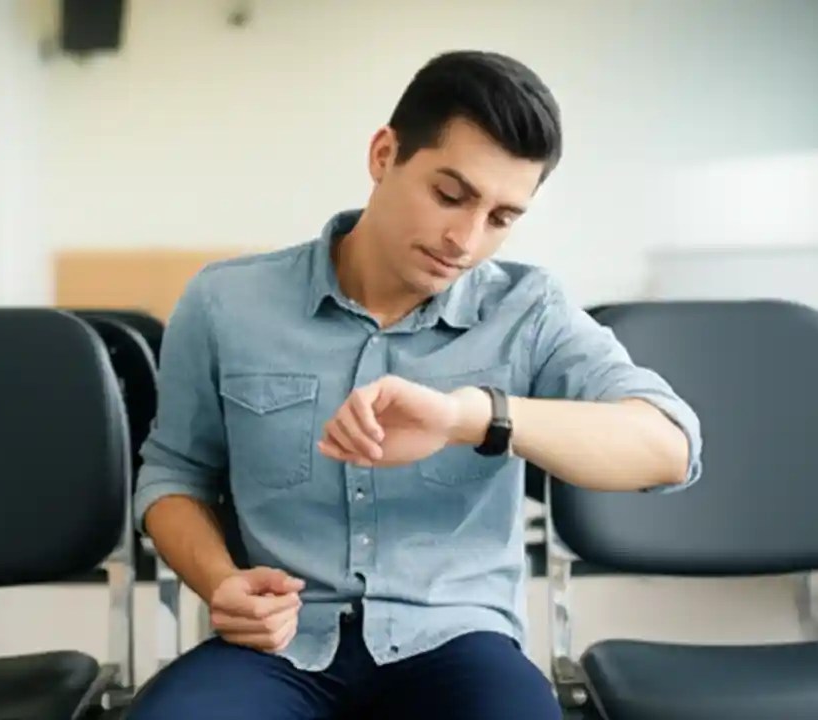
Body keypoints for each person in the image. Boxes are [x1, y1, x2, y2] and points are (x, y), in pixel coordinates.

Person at [127, 49, 703, 720]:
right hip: (277, 649)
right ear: (383, 154)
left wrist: (473, 416)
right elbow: (174, 476)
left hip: (458, 642)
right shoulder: (226, 302)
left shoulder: (528, 310)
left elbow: (671, 448)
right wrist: (219, 582)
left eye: (501, 218)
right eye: (450, 195)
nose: (465, 239)